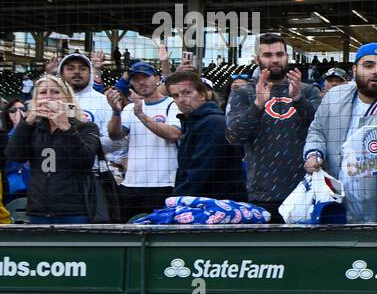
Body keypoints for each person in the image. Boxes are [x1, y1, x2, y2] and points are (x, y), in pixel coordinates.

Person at [303, 43, 377, 223]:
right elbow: (317, 130)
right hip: (332, 204)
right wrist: (313, 153)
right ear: (355, 69)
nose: (376, 71)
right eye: (369, 65)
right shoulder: (334, 97)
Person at [226, 34, 322, 222]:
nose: (275, 59)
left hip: (305, 190)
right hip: (262, 194)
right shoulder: (243, 93)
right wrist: (257, 104)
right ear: (257, 59)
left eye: (280, 54)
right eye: (268, 55)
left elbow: (320, 129)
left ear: (287, 57)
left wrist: (298, 100)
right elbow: (233, 136)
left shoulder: (309, 91)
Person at [5, 76, 103, 224]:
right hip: (38, 210)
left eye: (55, 92)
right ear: (35, 99)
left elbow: (85, 162)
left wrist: (66, 127)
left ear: (67, 98)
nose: (49, 97)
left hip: (75, 210)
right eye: (43, 92)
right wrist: (28, 122)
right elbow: (14, 155)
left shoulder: (86, 127)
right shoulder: (33, 129)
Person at [106, 62, 182, 219]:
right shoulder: (128, 109)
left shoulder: (172, 105)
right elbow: (115, 135)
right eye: (136, 79)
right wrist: (115, 113)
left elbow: (173, 134)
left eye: (145, 77)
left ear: (157, 78)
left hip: (164, 184)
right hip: (132, 184)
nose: (141, 82)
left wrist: (141, 115)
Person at [167, 71, 248, 202]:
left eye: (187, 92)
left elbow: (200, 173)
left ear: (203, 95)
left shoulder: (213, 123)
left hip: (216, 207)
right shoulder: (194, 123)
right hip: (204, 203)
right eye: (175, 95)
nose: (181, 99)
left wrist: (176, 202)